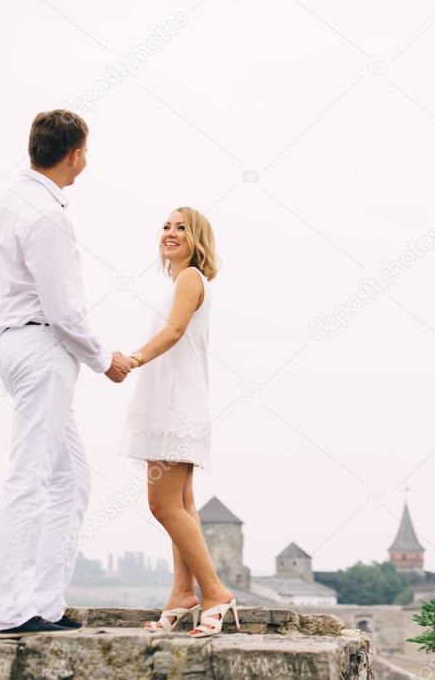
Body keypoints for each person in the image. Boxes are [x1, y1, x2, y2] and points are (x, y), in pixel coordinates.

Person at [0, 110, 137, 639]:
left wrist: (8, 331)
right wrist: (103, 357)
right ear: (76, 154)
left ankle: (43, 600)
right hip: (43, 347)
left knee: (70, 477)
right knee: (32, 475)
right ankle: (11, 610)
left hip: (19, 345)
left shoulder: (3, 204)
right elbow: (64, 309)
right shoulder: (48, 214)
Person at [119, 207, 238, 637]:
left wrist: (133, 359)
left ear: (197, 239)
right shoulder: (182, 282)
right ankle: (181, 593)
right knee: (182, 505)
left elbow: (173, 333)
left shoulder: (189, 278)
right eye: (166, 226)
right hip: (177, 403)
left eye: (181, 228)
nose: (170, 233)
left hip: (173, 408)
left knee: (163, 504)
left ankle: (216, 592)